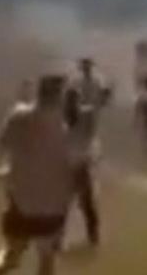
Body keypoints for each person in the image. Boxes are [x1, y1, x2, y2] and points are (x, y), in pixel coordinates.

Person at [0, 75, 75, 275]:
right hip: (52, 210)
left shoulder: (18, 116)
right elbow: (68, 171)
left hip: (21, 204)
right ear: (61, 98)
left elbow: (2, 147)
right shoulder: (66, 129)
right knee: (46, 261)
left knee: (9, 257)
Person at [60, 86, 102, 249]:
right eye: (68, 101)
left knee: (85, 203)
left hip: (79, 165)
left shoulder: (85, 115)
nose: (69, 105)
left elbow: (92, 119)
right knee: (65, 203)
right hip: (68, 165)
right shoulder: (63, 117)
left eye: (72, 101)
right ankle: (61, 237)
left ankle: (93, 235)